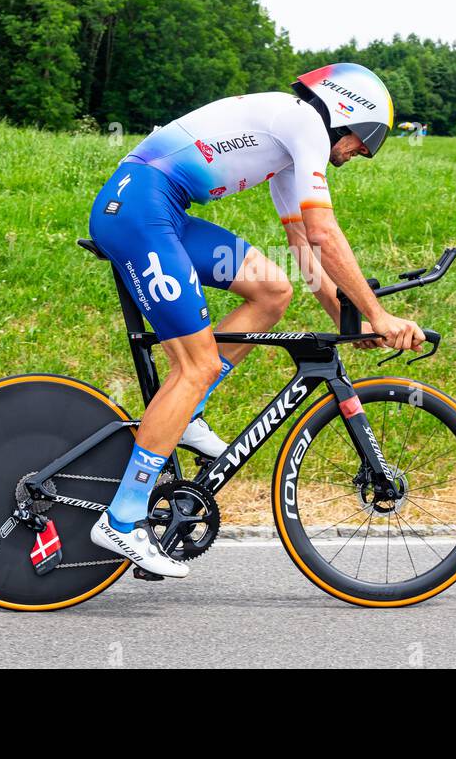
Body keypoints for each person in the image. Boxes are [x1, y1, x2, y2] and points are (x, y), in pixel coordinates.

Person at [85, 63, 425, 577]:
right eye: (365, 141)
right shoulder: (305, 124)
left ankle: (187, 415)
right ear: (346, 111)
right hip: (139, 211)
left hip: (162, 211)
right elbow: (324, 233)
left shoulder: (292, 149)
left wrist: (351, 325)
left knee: (272, 288)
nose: (360, 154)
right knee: (193, 365)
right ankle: (124, 517)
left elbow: (305, 249)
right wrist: (378, 313)